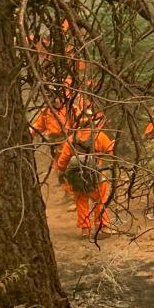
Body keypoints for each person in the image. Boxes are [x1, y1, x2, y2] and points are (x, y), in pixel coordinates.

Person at [55, 100, 116, 238]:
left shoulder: (71, 139)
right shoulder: (99, 136)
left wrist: (62, 172)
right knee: (100, 201)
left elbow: (62, 161)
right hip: (97, 174)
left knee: (81, 202)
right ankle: (103, 227)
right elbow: (111, 152)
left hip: (77, 177)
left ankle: (85, 229)